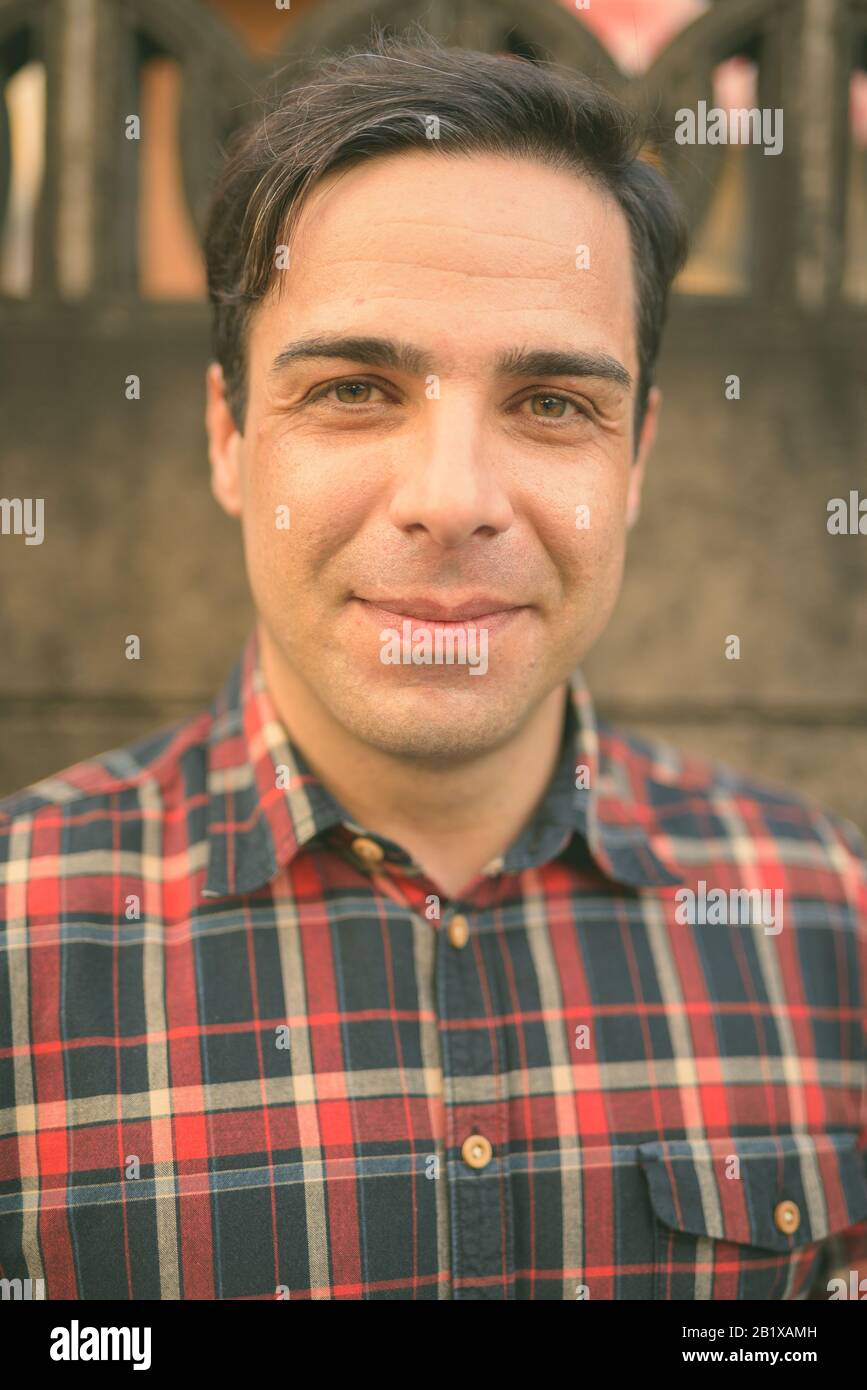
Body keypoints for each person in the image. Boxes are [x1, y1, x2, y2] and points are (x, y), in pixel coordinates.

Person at [1, 31, 864, 1301]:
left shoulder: (832, 927)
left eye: (553, 403)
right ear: (230, 436)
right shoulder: (21, 946)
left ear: (636, 463)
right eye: (354, 389)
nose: (452, 500)